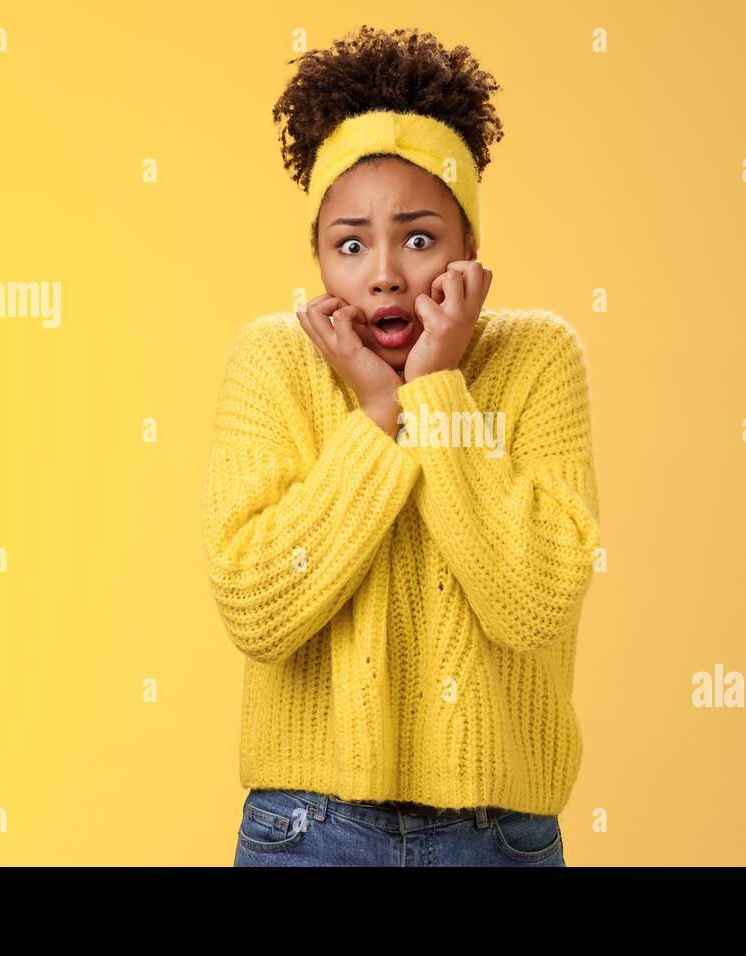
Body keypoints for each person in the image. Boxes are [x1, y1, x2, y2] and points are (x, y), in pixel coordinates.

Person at [202, 25, 600, 866]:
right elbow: (256, 604)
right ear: (317, 258)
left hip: (499, 840)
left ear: (470, 252)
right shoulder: (274, 359)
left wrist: (433, 391)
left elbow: (533, 602)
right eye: (350, 245)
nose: (384, 273)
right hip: (305, 832)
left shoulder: (537, 358)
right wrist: (378, 414)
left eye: (418, 238)